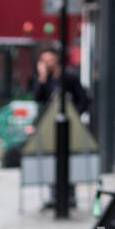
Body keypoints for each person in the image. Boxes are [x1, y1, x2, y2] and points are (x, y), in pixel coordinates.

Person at [31, 46, 90, 210]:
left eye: (49, 59)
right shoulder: (45, 78)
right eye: (44, 60)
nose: (47, 63)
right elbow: (38, 99)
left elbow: (83, 98)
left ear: (56, 58)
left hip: (69, 127)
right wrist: (42, 77)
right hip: (50, 127)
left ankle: (69, 195)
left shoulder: (69, 76)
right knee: (51, 159)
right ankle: (54, 195)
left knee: (69, 159)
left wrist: (75, 117)